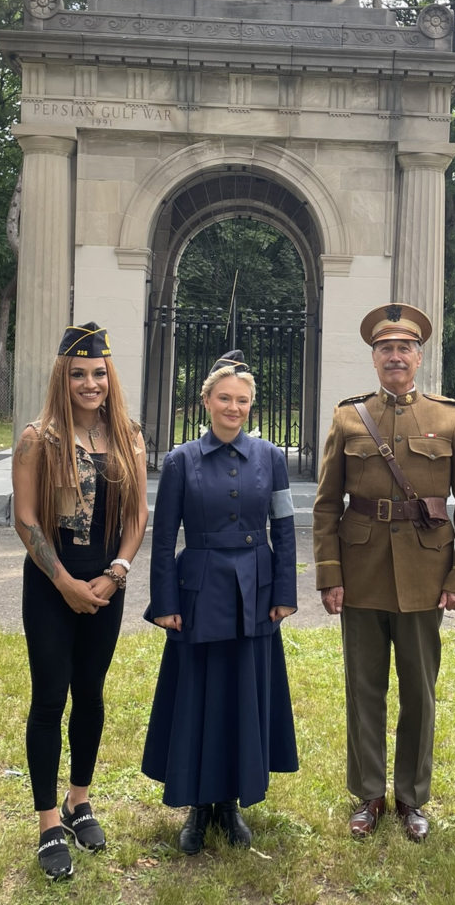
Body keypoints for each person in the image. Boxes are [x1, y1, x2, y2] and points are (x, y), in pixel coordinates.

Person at [313, 304, 455, 843]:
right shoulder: (347, 417)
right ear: (374, 357)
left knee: (419, 689)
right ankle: (368, 793)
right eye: (385, 348)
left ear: (418, 356)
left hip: (424, 571)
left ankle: (412, 797)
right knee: (364, 689)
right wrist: (328, 573)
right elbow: (324, 506)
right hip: (362, 569)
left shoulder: (449, 418)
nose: (395, 356)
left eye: (405, 347)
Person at [142, 350, 298, 856]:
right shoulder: (180, 461)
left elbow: (285, 527)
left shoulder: (272, 459)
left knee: (243, 693)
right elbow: (163, 538)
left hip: (255, 592)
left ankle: (230, 804)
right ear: (206, 400)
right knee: (200, 696)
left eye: (243, 401)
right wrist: (164, 600)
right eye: (225, 398)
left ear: (252, 406)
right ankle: (198, 805)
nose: (234, 408)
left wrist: (284, 592)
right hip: (198, 591)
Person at [11, 322, 148, 879]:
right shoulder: (37, 438)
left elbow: (138, 515)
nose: (90, 383)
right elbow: (24, 519)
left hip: (106, 585)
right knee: (49, 698)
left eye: (98, 373)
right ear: (62, 379)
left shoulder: (130, 435)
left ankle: (78, 799)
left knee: (90, 695)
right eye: (78, 374)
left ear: (110, 376)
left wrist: (115, 574)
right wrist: (64, 581)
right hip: (50, 586)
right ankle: (48, 823)